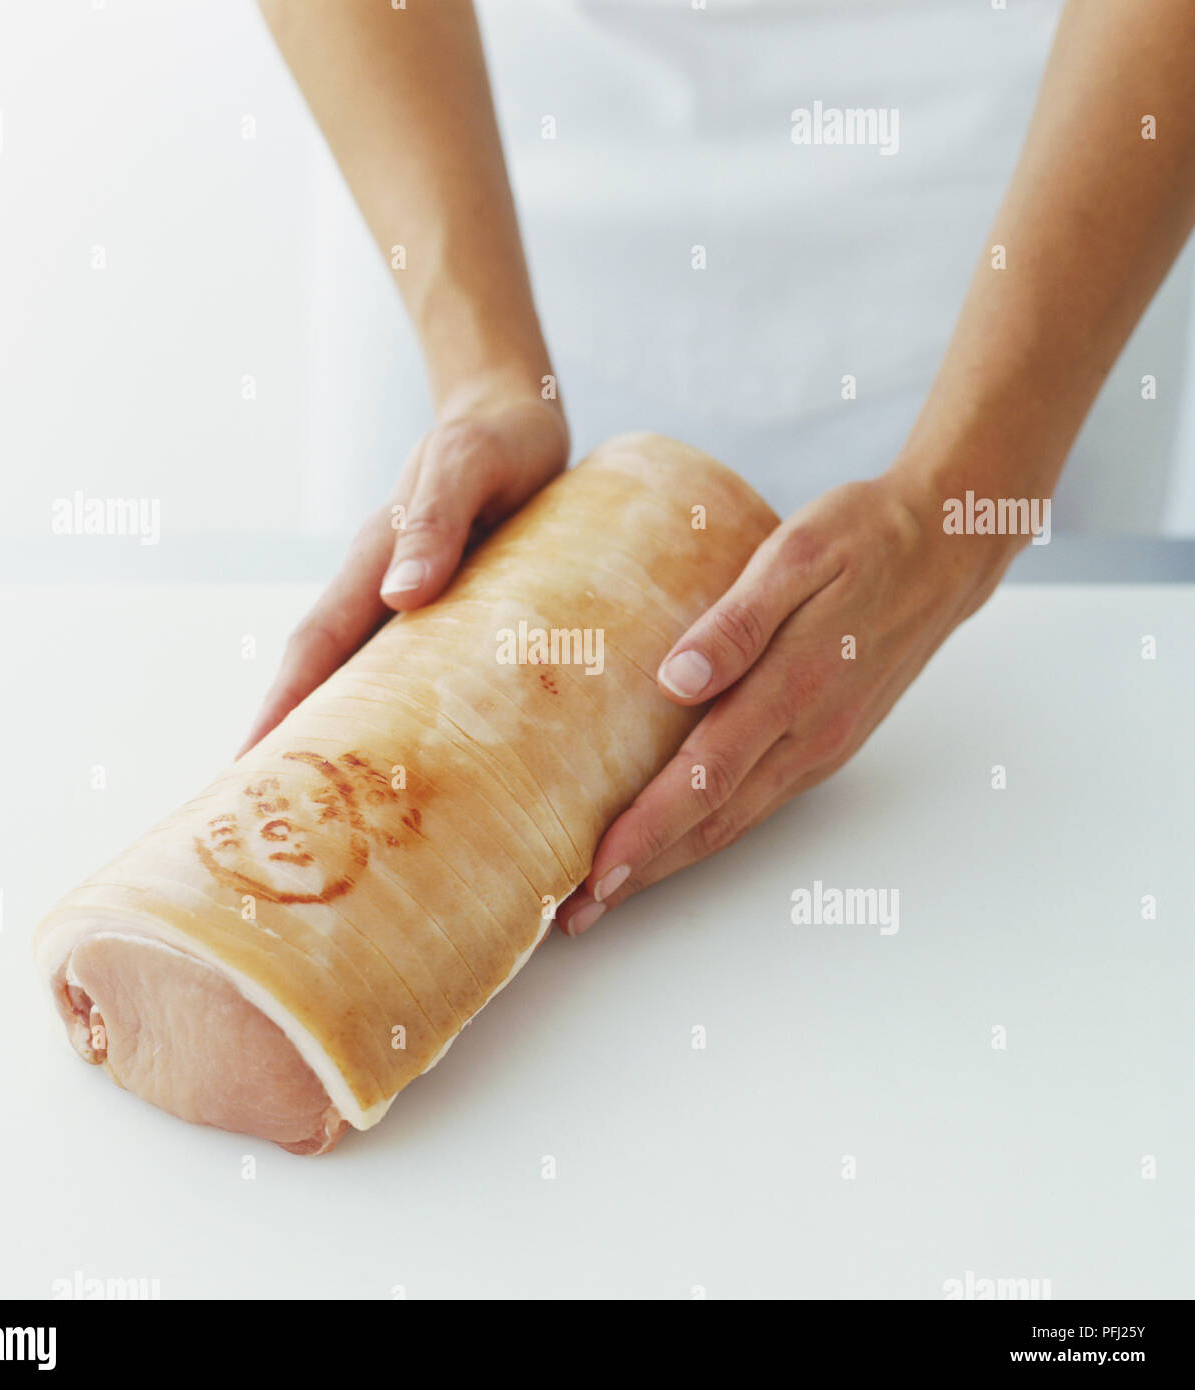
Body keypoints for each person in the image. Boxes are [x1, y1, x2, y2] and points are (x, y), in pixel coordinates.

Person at [242, 0, 1195, 937]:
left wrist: (961, 498)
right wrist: (481, 376)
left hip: (1039, 175)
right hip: (470, 154)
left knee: (1026, 879)